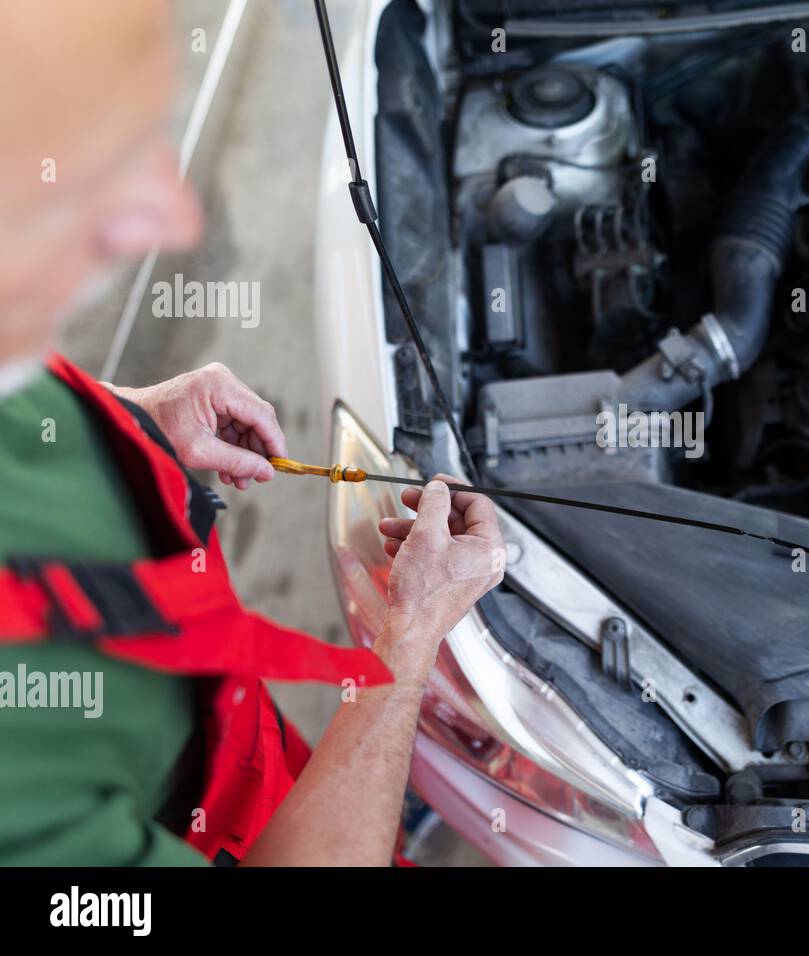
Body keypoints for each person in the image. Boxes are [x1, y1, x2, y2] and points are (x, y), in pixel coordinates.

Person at [0, 0, 504, 865]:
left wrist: (123, 419)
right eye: (88, 182)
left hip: (242, 749)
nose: (177, 220)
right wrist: (407, 642)